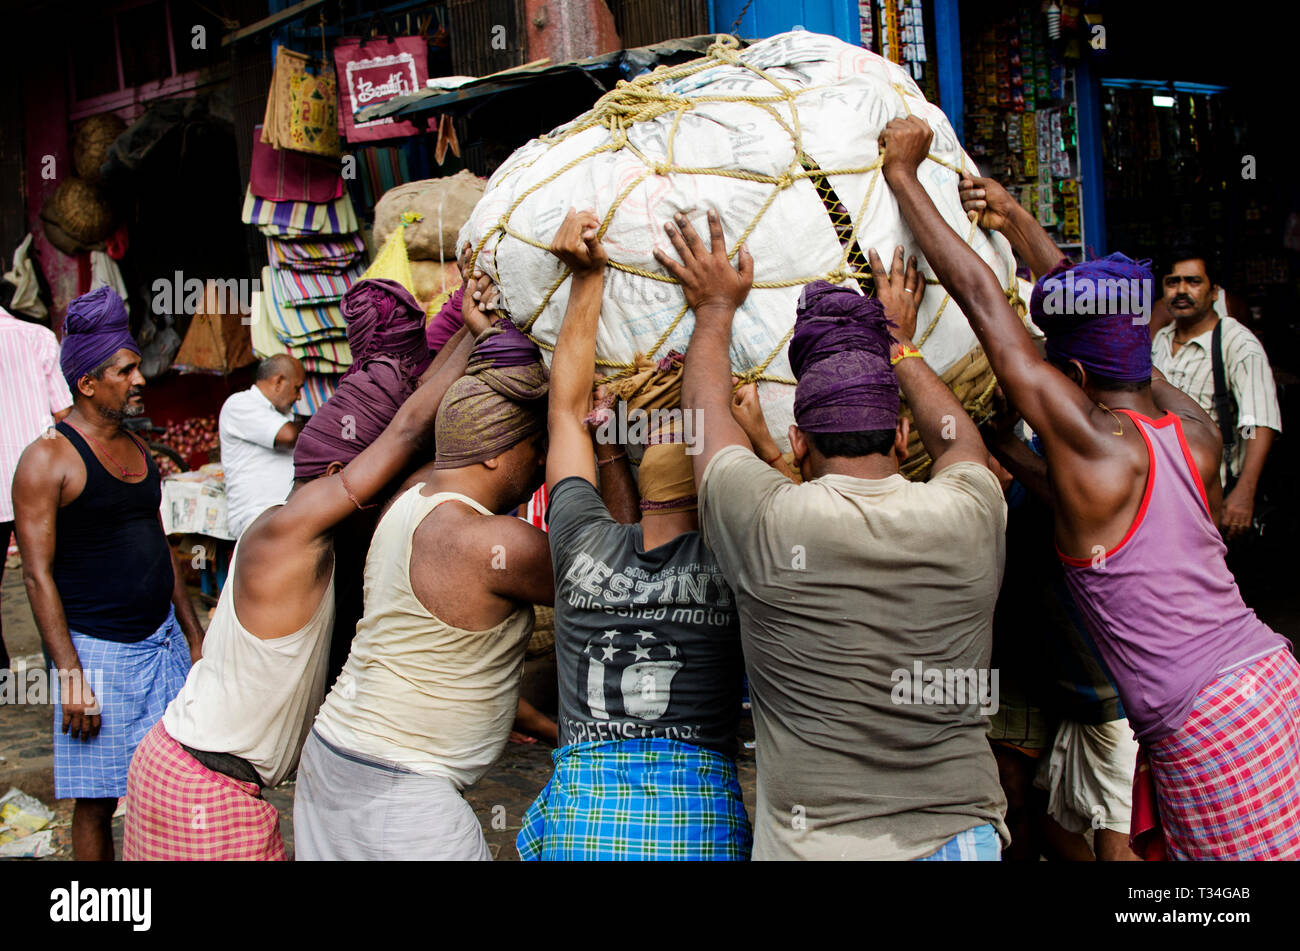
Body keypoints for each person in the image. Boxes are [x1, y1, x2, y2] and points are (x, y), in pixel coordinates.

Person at [938, 121, 1299, 859]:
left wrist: (907, 177)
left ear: (1069, 383)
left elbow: (981, 300)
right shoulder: (1187, 428)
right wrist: (1010, 218)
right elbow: (1103, 317)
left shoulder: (1098, 447)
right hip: (1269, 679)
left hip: (1209, 723)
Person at [670, 208, 1009, 860]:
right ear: (903, 435)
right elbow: (961, 440)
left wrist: (714, 309)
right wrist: (899, 342)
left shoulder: (768, 522)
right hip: (959, 839)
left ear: (797, 443)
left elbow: (705, 420)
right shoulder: (971, 512)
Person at [122, 312, 477, 861]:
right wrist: (476, 329)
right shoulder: (285, 531)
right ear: (338, 471)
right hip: (201, 788)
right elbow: (405, 432)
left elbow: (407, 433)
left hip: (200, 777)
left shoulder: (308, 540)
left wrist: (462, 330)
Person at [515, 210, 750, 861]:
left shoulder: (582, 540)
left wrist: (585, 279)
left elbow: (565, 409)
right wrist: (719, 316)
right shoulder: (740, 555)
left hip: (584, 821)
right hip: (693, 825)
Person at [293, 283, 553, 861]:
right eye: (535, 446)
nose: (540, 458)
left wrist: (472, 332)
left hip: (332, 757)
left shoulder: (408, 499)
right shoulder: (497, 543)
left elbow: (413, 419)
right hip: (400, 794)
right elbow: (610, 574)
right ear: (492, 451)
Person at [11, 285, 205, 861]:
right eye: (124, 371)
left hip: (161, 643)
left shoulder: (139, 447)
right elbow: (36, 576)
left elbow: (161, 545)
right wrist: (69, 674)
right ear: (87, 383)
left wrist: (193, 634)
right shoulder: (47, 458)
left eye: (136, 367)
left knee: (175, 780)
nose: (140, 378)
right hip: (98, 653)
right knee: (97, 800)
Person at [1149, 251, 1281, 540]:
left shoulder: (1237, 343)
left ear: (1214, 292)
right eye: (1173, 282)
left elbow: (1258, 421)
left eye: (1193, 281)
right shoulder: (1160, 340)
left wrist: (1244, 491)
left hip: (1213, 496)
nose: (1181, 290)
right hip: (1162, 497)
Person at [0, 281, 72, 670]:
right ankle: (62, 666)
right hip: (42, 482)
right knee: (48, 578)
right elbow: (64, 411)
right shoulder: (37, 337)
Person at [218, 354, 304, 537]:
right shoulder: (239, 404)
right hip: (257, 517)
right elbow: (288, 436)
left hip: (286, 515)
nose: (298, 397)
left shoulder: (285, 416)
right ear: (279, 381)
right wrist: (322, 422)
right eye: (297, 388)